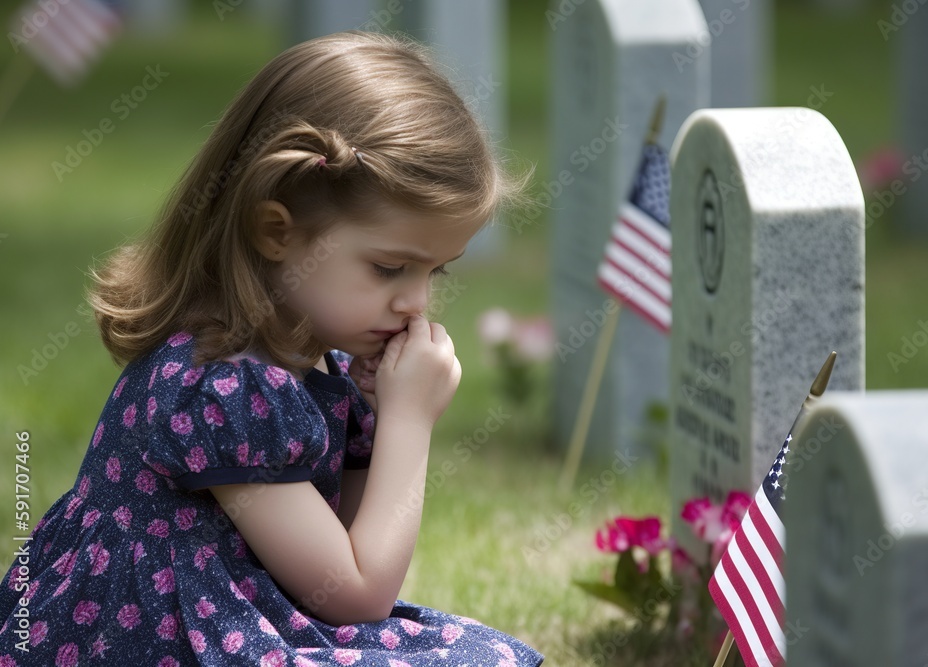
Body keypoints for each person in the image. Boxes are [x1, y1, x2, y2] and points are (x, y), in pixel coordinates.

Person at [0, 31, 543, 666]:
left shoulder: (312, 363)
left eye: (436, 272)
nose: (416, 302)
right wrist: (409, 421)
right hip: (146, 641)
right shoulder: (220, 385)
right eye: (391, 267)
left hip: (237, 615)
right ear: (275, 232)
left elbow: (353, 548)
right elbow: (355, 593)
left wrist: (377, 416)